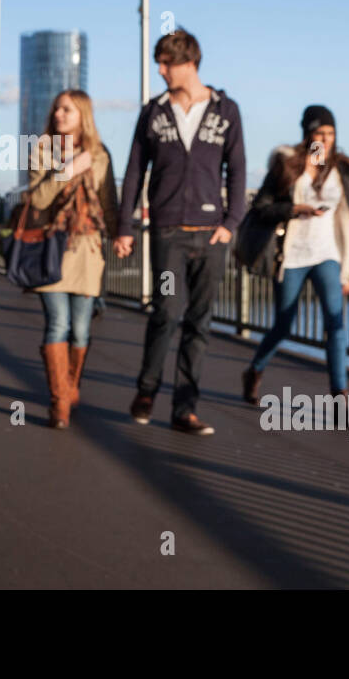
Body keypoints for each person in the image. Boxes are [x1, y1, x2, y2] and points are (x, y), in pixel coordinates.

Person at [114, 29, 246, 437]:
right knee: (167, 312)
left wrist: (230, 223)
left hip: (210, 239)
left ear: (188, 63)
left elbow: (237, 168)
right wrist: (126, 227)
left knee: (199, 322)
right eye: (159, 62)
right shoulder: (153, 112)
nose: (160, 70)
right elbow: (135, 171)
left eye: (166, 63)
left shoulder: (226, 111)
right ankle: (147, 389)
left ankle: (185, 409)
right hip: (169, 234)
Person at [240, 106, 349, 401]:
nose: (326, 139)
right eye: (319, 133)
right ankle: (255, 370)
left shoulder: (341, 169)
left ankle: (339, 395)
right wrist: (295, 209)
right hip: (292, 254)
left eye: (331, 133)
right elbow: (261, 207)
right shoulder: (288, 166)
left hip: (327, 254)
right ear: (307, 133)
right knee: (284, 324)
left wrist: (348, 271)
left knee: (335, 323)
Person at [25, 90, 118, 429]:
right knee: (58, 323)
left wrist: (121, 235)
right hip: (52, 246)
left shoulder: (100, 154)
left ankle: (71, 385)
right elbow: (37, 199)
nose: (59, 114)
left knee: (80, 329)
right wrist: (67, 170)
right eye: (57, 109)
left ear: (83, 115)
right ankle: (59, 401)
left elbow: (109, 200)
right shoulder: (42, 149)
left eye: (67, 109)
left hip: (88, 248)